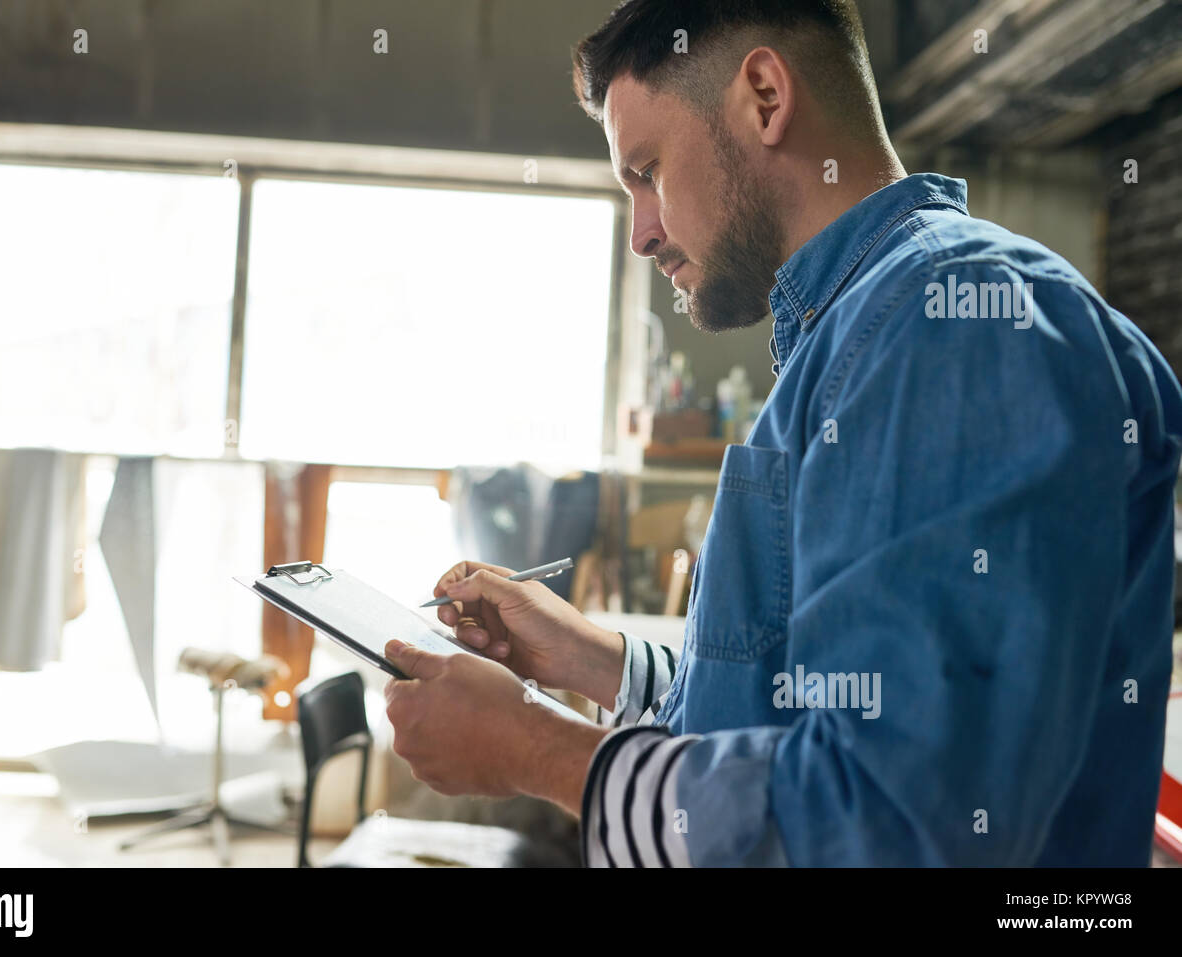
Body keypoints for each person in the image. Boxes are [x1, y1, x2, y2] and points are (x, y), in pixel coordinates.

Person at [382, 0, 1182, 866]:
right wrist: (592, 660)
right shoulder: (860, 334)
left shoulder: (954, 325)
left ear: (765, 96)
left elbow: (901, 822)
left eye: (647, 170)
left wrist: (536, 748)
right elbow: (796, 702)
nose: (642, 233)